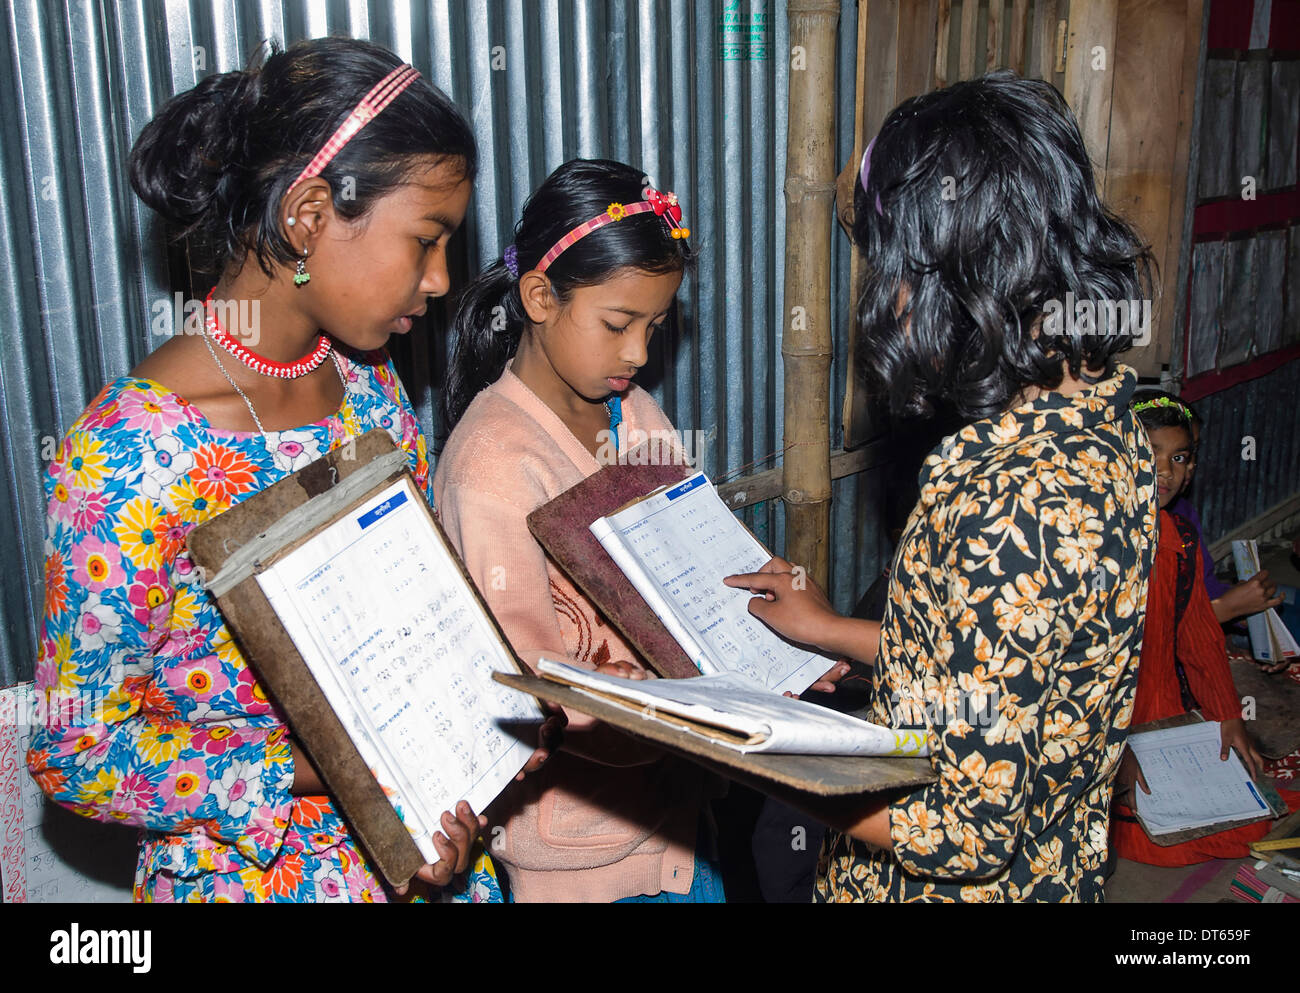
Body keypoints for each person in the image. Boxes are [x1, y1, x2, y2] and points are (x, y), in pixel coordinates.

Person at [27, 38, 493, 902]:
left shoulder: (367, 389)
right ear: (310, 215)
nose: (440, 281)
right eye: (427, 241)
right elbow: (73, 746)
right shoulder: (129, 458)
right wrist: (319, 769)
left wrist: (466, 752)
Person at [724, 70, 1158, 901]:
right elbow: (996, 676)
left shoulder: (1012, 501)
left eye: (889, 262)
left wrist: (750, 752)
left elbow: (957, 830)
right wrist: (834, 631)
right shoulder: (1105, 419)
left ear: (947, 267)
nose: (882, 292)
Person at [434, 159, 727, 902]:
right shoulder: (493, 463)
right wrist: (702, 715)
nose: (639, 353)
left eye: (657, 325)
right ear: (538, 296)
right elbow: (534, 686)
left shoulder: (637, 416)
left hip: (681, 827)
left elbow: (701, 567)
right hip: (579, 864)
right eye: (618, 323)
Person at [1109, 392, 1298, 866]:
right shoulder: (1094, 540)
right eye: (1149, 454)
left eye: (1179, 457)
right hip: (1098, 714)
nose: (1166, 472)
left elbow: (1197, 637)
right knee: (1153, 844)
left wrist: (1227, 716)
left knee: (1245, 817)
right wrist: (1116, 750)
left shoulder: (1178, 537)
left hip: (1160, 706)